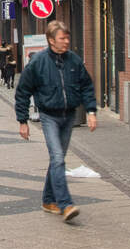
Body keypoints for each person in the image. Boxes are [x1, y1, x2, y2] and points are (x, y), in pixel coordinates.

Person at [14, 20, 98, 223]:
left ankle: (48, 200)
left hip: (69, 116)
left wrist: (91, 111)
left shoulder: (74, 61)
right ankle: (65, 204)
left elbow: (86, 85)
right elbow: (23, 91)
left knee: (56, 160)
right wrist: (22, 121)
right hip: (49, 116)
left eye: (68, 37)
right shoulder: (38, 62)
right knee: (59, 158)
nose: (67, 41)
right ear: (51, 40)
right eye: (62, 38)